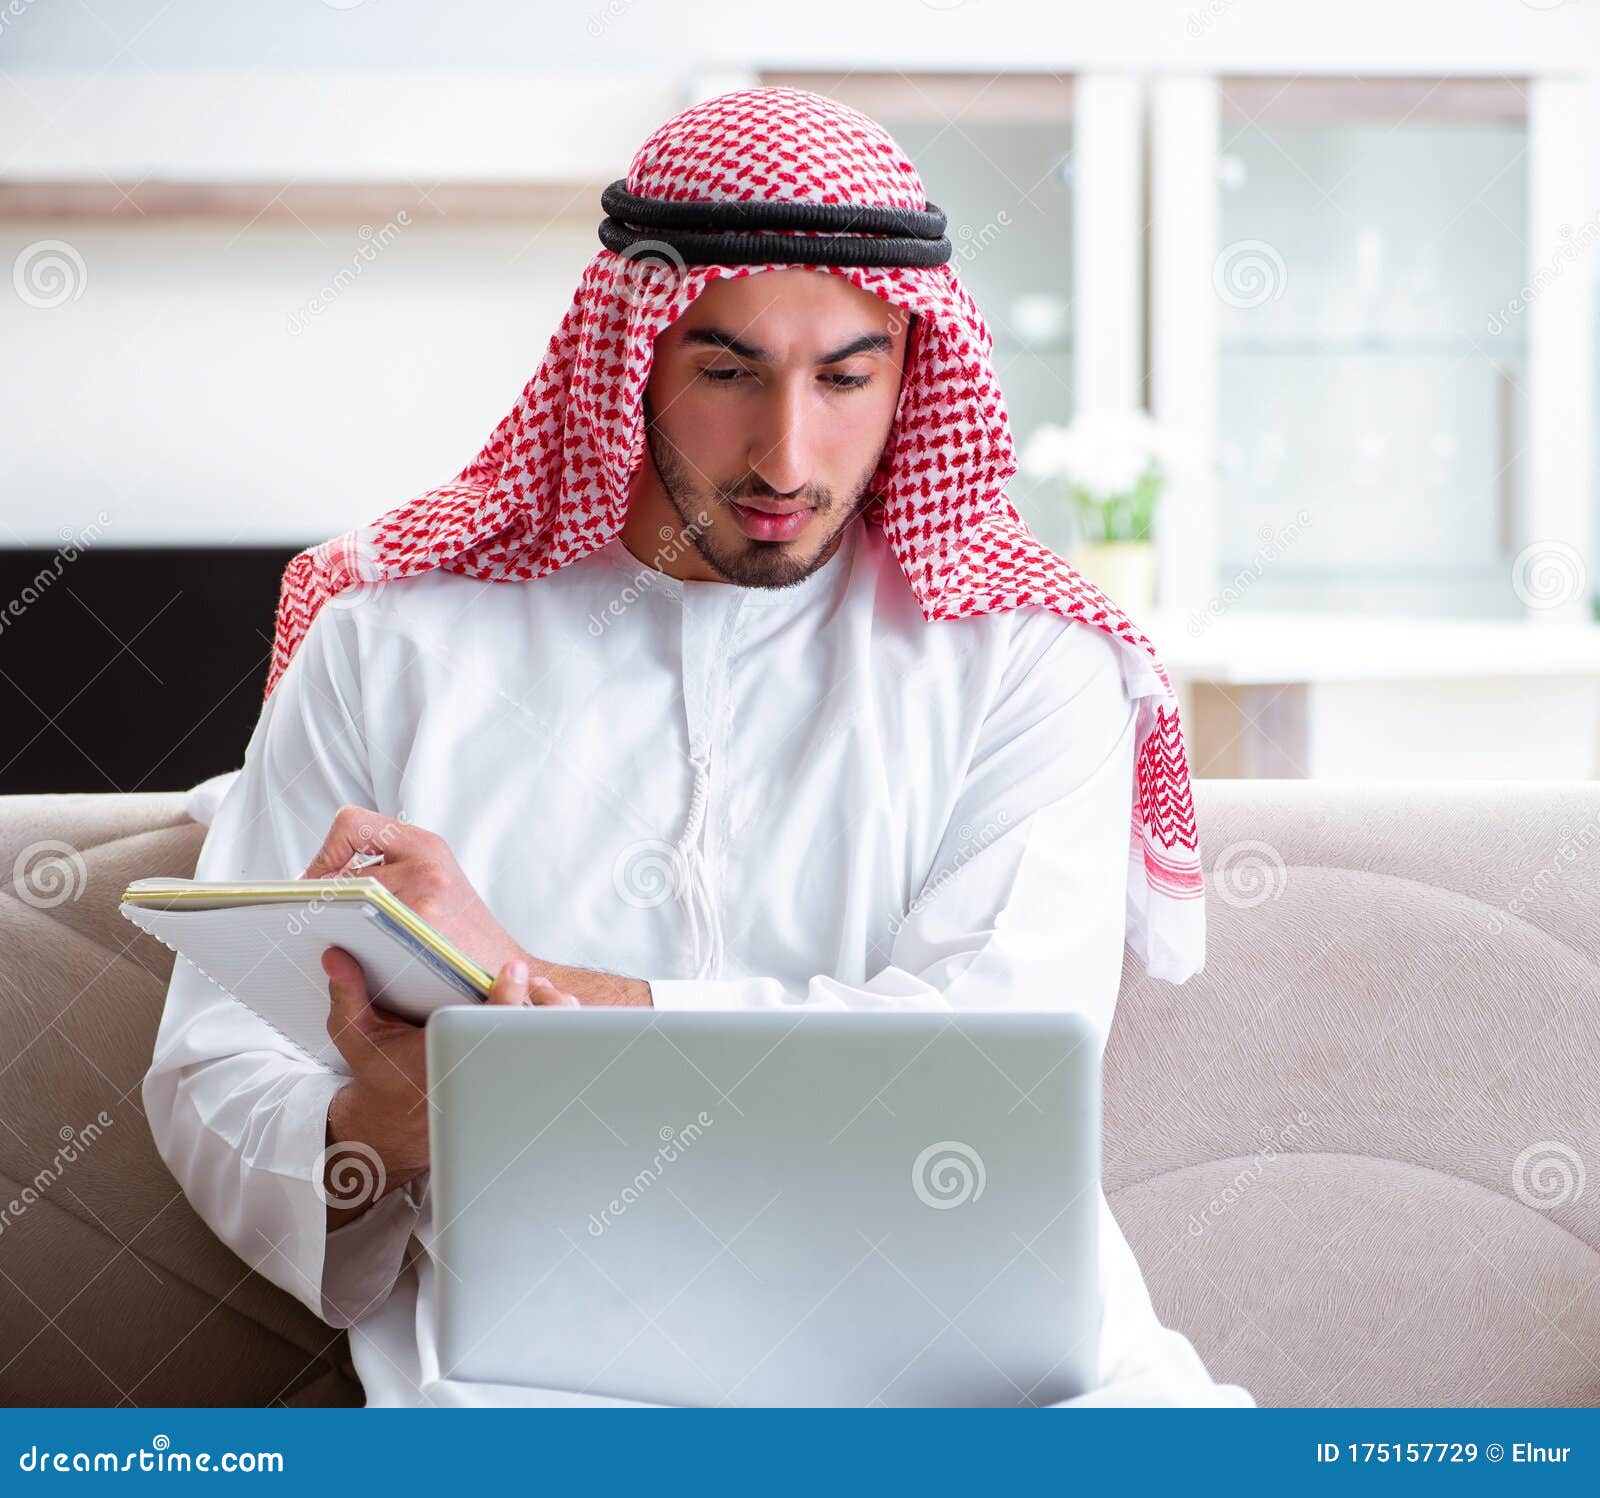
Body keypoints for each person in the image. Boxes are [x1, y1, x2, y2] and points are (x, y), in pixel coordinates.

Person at [143, 86, 1251, 1409]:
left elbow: (982, 1065)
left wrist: (508, 1017)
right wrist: (383, 1124)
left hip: (1020, 1396)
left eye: (846, 377)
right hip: (553, 1402)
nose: (786, 455)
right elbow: (217, 1067)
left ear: (916, 369)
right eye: (728, 372)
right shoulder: (391, 646)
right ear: (632, 358)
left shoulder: (1029, 659)